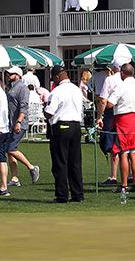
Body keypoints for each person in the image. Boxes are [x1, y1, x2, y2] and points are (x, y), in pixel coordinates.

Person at [43, 65, 84, 203]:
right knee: (75, 162)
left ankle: (62, 195)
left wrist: (44, 110)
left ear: (56, 77)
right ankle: (78, 194)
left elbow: (49, 113)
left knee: (60, 162)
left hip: (61, 126)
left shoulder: (57, 91)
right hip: (76, 126)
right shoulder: (77, 90)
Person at [106, 63, 135, 202]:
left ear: (122, 73)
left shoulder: (121, 86)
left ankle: (124, 185)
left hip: (123, 119)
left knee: (123, 152)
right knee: (134, 152)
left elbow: (110, 103)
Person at [4, 66, 40, 187]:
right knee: (9, 151)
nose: (8, 76)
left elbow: (24, 106)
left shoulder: (22, 88)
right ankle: (14, 178)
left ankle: (31, 167)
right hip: (11, 122)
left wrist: (19, 121)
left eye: (11, 74)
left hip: (19, 123)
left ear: (18, 75)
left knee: (10, 148)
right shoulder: (12, 87)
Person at [96, 59, 123, 187]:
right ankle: (127, 175)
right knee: (126, 146)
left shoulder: (110, 80)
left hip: (112, 114)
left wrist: (99, 117)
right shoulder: (130, 81)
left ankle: (113, 176)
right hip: (126, 114)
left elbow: (103, 100)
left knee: (113, 145)